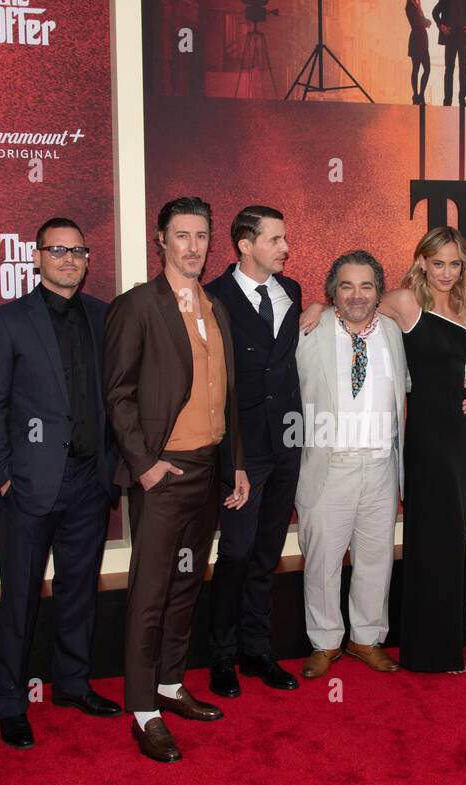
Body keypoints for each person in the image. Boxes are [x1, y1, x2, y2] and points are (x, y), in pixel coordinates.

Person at [103, 196, 250, 763]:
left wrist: (234, 462)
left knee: (188, 583)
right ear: (160, 240)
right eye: (182, 235)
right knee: (150, 591)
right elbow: (118, 394)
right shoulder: (136, 307)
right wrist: (146, 465)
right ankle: (143, 709)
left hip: (209, 469)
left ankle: (169, 684)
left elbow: (228, 396)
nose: (193, 246)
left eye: (201, 235)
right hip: (164, 475)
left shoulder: (216, 307)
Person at [0, 217, 122, 750]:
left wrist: (111, 468)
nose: (68, 259)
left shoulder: (104, 316)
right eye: (57, 251)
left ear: (86, 259)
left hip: (90, 480)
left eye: (77, 251)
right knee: (19, 599)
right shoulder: (7, 321)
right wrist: (4, 479)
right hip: (31, 486)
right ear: (36, 258)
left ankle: (73, 684)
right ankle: (11, 702)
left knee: (79, 590)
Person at [294, 251, 407, 679]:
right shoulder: (309, 329)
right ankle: (325, 641)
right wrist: (316, 308)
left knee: (375, 558)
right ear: (331, 292)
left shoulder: (395, 333)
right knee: (321, 560)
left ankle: (366, 638)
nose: (357, 295)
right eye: (346, 286)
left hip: (381, 467)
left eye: (366, 286)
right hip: (329, 466)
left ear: (379, 291)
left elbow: (415, 383)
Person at [205, 206, 302, 697]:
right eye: (275, 239)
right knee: (236, 553)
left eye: (285, 238)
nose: (286, 247)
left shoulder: (293, 292)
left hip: (288, 441)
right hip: (242, 449)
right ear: (245, 245)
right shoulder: (213, 298)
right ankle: (220, 656)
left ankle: (257, 650)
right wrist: (233, 459)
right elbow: (211, 383)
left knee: (267, 553)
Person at [432, 0, 466, 107]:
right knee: (449, 69)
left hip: (463, 37)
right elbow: (435, 12)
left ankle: (461, 100)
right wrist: (441, 25)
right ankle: (447, 101)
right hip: (450, 36)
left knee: (462, 69)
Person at [407, 0, 433, 105]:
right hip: (417, 40)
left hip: (420, 40)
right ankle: (417, 95)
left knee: (424, 69)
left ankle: (419, 95)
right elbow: (419, 22)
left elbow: (421, 22)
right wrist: (427, 22)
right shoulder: (410, 6)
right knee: (417, 69)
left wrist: (425, 21)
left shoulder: (416, 6)